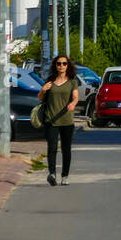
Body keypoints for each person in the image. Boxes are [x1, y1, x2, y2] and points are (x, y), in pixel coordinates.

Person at [39, 55, 81, 186]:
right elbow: (40, 98)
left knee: (65, 148)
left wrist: (73, 103)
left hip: (67, 120)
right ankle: (52, 174)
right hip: (51, 119)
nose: (61, 66)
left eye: (64, 63)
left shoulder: (72, 81)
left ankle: (65, 176)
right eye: (59, 64)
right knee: (52, 148)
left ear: (68, 66)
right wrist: (43, 90)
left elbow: (75, 97)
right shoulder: (50, 81)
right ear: (55, 65)